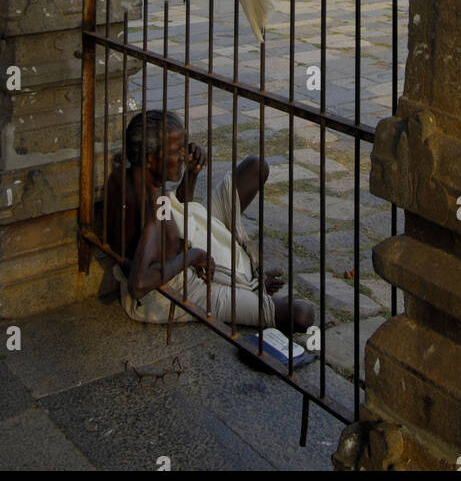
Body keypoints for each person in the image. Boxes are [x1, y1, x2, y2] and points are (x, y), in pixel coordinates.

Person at [105, 109, 315, 336]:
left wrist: (191, 174)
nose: (184, 157)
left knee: (256, 166)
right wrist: (192, 256)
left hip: (186, 233)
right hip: (178, 285)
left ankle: (248, 278)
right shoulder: (157, 206)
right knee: (302, 314)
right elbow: (139, 284)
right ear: (149, 158)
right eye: (177, 152)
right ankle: (251, 284)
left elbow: (176, 221)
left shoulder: (124, 176)